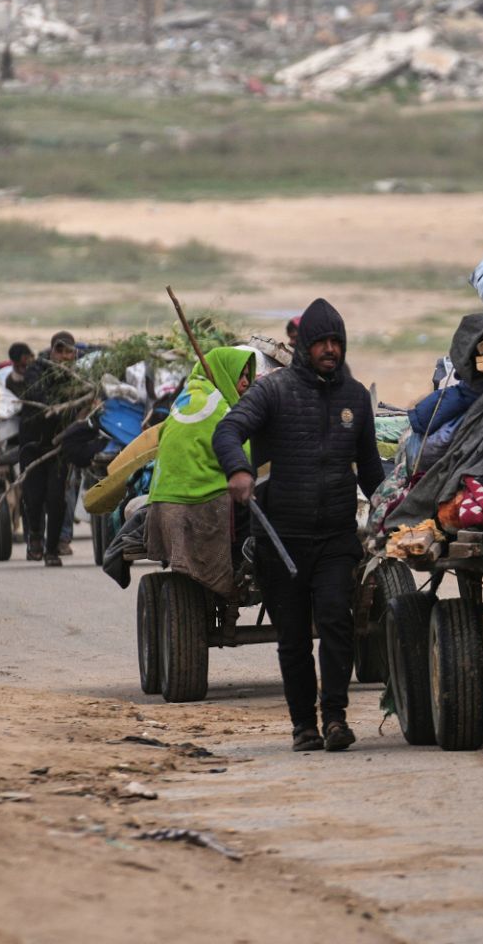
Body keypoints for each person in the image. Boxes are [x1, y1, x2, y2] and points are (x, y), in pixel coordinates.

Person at [214, 299, 383, 754]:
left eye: (337, 342)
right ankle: (303, 726)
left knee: (335, 620)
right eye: (322, 342)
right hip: (279, 537)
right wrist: (238, 470)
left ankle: (334, 718)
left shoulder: (355, 399)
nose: (330, 349)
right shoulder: (274, 391)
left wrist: (392, 509)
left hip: (335, 535)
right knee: (292, 637)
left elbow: (369, 467)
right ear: (305, 344)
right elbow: (227, 431)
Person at [140, 346, 257, 600]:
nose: (246, 383)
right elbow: (246, 454)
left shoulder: (187, 397)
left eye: (249, 375)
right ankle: (243, 564)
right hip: (196, 499)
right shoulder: (220, 408)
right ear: (223, 373)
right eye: (240, 375)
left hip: (162, 497)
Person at [16, 330, 81, 564]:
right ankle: (35, 536)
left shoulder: (78, 376)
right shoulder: (37, 369)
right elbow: (36, 394)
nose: (64, 356)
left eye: (68, 352)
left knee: (57, 498)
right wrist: (60, 405)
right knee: (33, 497)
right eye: (60, 350)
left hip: (59, 448)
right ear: (52, 351)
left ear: (74, 354)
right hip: (33, 445)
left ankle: (51, 550)